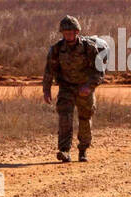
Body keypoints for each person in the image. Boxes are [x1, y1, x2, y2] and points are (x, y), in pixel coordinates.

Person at [43, 15, 105, 162]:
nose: (68, 35)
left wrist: (89, 86)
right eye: (65, 33)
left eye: (71, 32)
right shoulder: (57, 49)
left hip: (85, 87)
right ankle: (64, 150)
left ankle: (83, 150)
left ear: (77, 32)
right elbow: (49, 71)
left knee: (85, 118)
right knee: (65, 117)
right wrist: (46, 90)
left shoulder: (89, 48)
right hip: (66, 86)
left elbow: (99, 71)